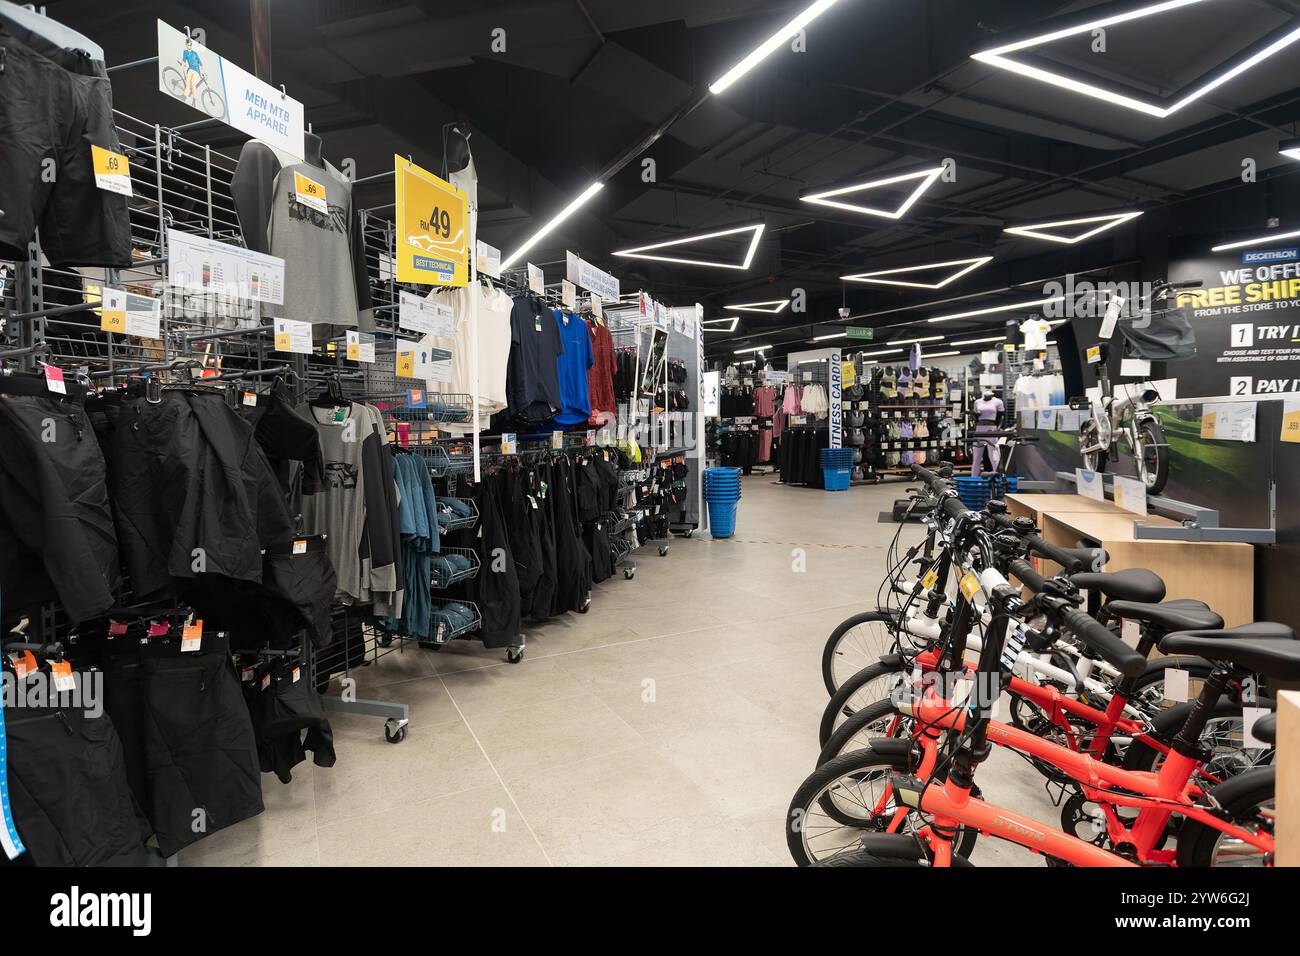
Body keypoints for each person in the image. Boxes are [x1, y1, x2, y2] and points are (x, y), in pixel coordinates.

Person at [182, 37, 204, 106]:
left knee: (192, 83)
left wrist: (204, 72)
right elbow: (183, 61)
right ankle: (183, 98)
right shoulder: (185, 52)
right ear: (186, 45)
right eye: (188, 45)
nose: (190, 46)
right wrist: (184, 69)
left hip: (196, 71)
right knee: (188, 84)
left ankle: (194, 100)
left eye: (190, 44)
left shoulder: (195, 53)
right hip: (190, 70)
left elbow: (201, 64)